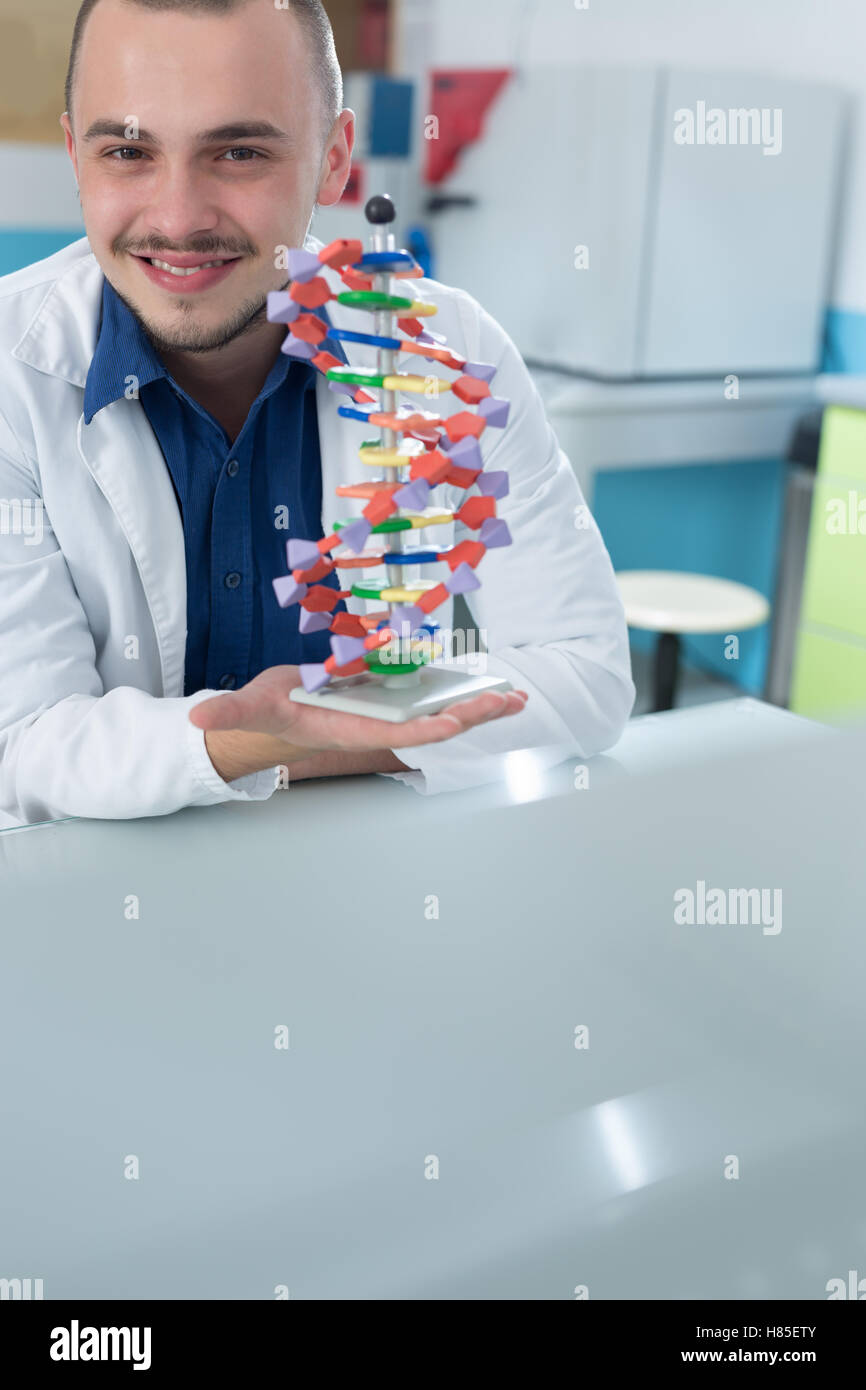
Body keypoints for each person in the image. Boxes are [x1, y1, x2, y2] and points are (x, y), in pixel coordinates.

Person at [0, 0, 634, 828]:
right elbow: (24, 745)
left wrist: (310, 738)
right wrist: (263, 742)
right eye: (127, 151)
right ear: (78, 157)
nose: (179, 218)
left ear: (333, 160)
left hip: (367, 883)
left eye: (239, 152)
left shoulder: (441, 350)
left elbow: (584, 673)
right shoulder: (15, 372)